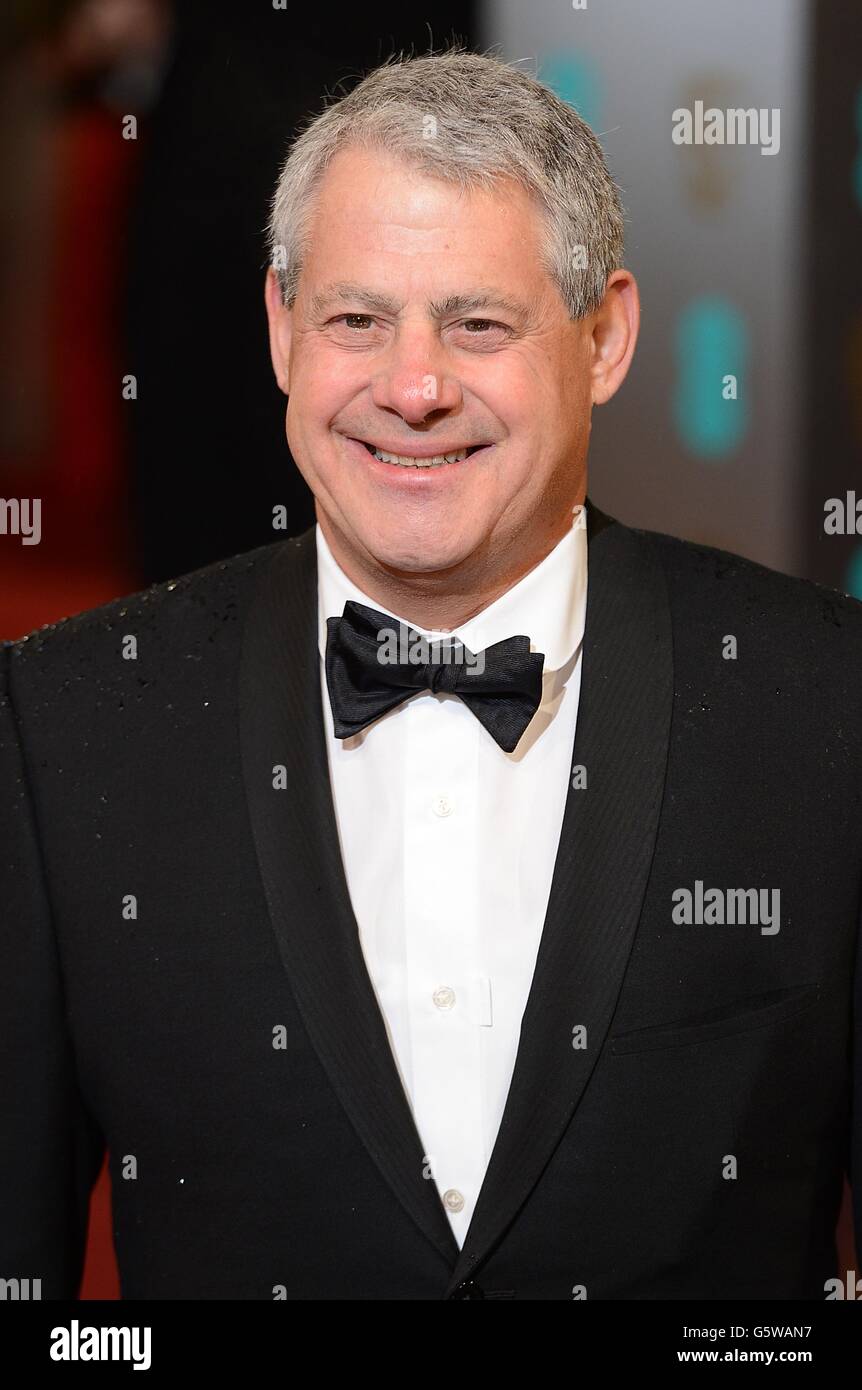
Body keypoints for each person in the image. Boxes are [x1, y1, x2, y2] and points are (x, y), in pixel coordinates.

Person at [2, 45, 860, 1301]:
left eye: (477, 324)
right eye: (356, 319)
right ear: (282, 332)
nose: (413, 388)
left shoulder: (824, 706)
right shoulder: (64, 723)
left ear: (605, 337)